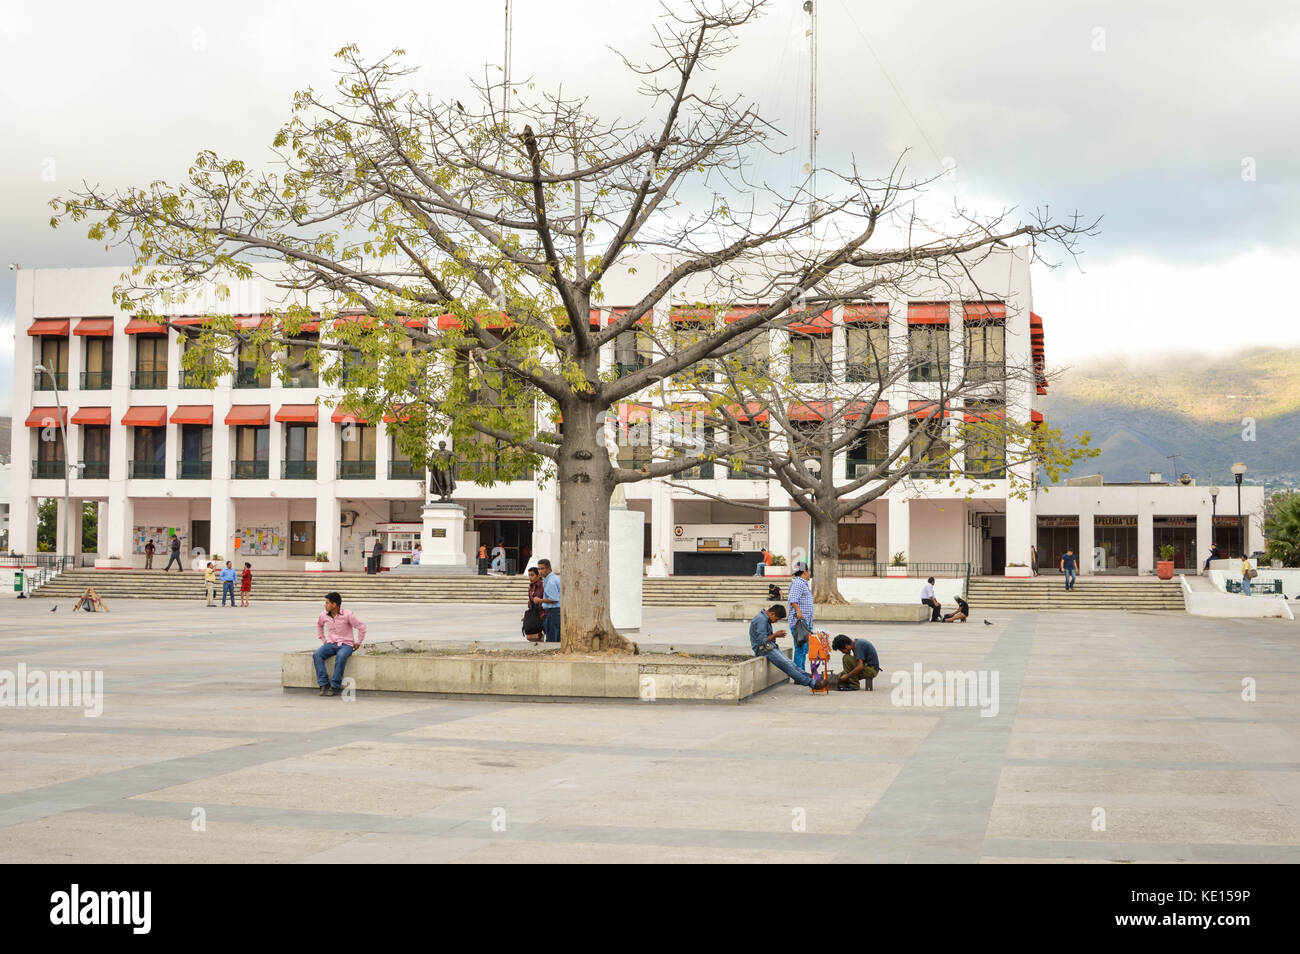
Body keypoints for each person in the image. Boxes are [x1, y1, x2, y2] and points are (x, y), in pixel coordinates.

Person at [749, 605, 823, 689]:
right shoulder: (761, 620)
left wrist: (775, 636)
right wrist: (775, 635)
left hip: (770, 647)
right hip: (763, 649)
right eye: (776, 619)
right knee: (787, 666)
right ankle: (812, 683)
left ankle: (813, 678)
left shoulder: (764, 618)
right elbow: (761, 641)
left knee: (792, 665)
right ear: (772, 614)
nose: (776, 622)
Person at [313, 591, 367, 697]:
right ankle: (323, 684)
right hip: (331, 643)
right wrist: (324, 640)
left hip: (346, 644)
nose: (325, 605)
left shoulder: (348, 615)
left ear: (334, 604)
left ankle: (335, 685)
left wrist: (358, 642)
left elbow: (362, 627)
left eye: (327, 602)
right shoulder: (323, 615)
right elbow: (319, 625)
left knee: (341, 656)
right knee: (317, 654)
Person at [788, 565, 814, 673]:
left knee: (803, 649)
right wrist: (798, 611)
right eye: (809, 571)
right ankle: (798, 673)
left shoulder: (803, 584)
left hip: (805, 622)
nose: (809, 574)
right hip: (799, 622)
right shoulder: (798, 583)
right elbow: (793, 599)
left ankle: (801, 672)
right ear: (804, 572)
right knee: (800, 648)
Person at [538, 558, 561, 643]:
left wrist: (540, 600)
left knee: (552, 637)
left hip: (553, 611)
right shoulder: (550, 579)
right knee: (555, 635)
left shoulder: (551, 581)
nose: (540, 571)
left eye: (542, 568)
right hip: (554, 612)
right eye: (539, 569)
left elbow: (554, 599)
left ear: (549, 569)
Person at [523, 566, 545, 642]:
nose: (530, 577)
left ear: (538, 575)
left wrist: (540, 601)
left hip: (543, 615)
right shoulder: (530, 587)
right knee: (532, 637)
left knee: (541, 636)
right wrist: (527, 616)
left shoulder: (543, 586)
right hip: (534, 615)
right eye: (529, 575)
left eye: (532, 575)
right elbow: (530, 602)